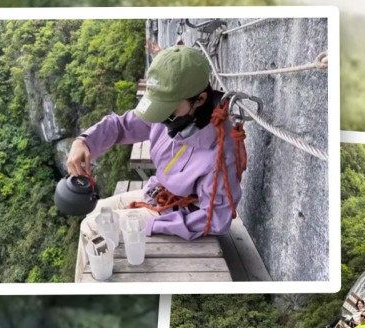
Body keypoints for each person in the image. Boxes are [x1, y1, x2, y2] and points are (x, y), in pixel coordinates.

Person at [66, 44, 245, 244]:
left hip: (179, 215)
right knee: (96, 211)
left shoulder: (218, 152)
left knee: (91, 227)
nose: (159, 119)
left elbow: (217, 219)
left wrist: (153, 225)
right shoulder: (168, 117)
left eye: (168, 110)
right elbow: (122, 126)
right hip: (158, 194)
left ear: (200, 99)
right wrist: (85, 141)